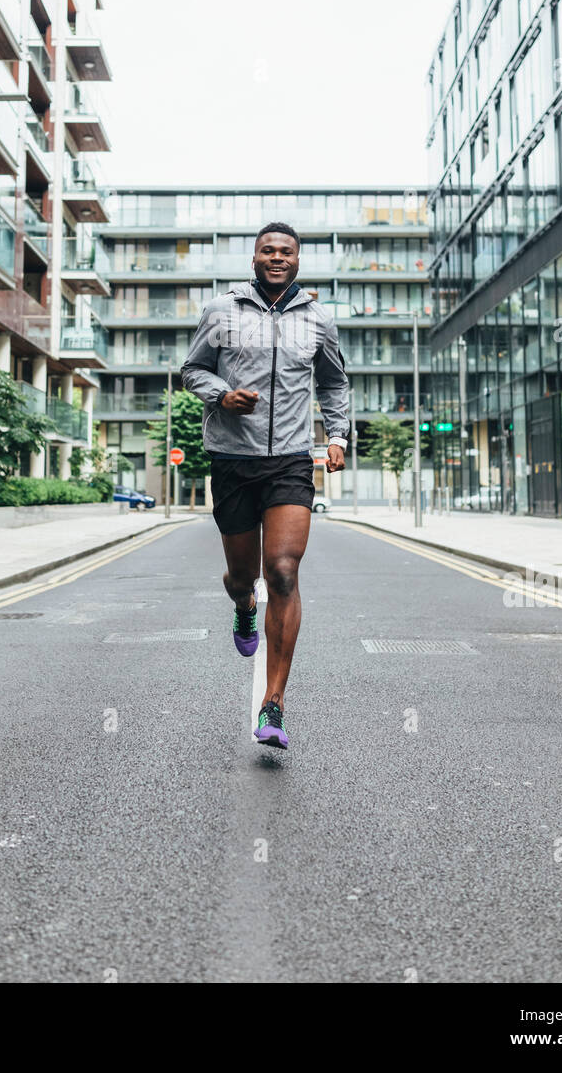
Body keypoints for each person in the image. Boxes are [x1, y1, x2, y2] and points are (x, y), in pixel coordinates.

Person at [181, 222, 350, 749]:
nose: (277, 258)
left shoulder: (319, 320)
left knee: (282, 571)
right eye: (268, 250)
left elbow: (333, 381)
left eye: (287, 252)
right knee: (243, 576)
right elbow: (192, 370)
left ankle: (273, 703)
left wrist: (339, 434)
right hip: (232, 458)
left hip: (291, 461)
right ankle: (243, 606)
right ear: (254, 258)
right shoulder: (221, 312)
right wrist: (222, 394)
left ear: (298, 260)